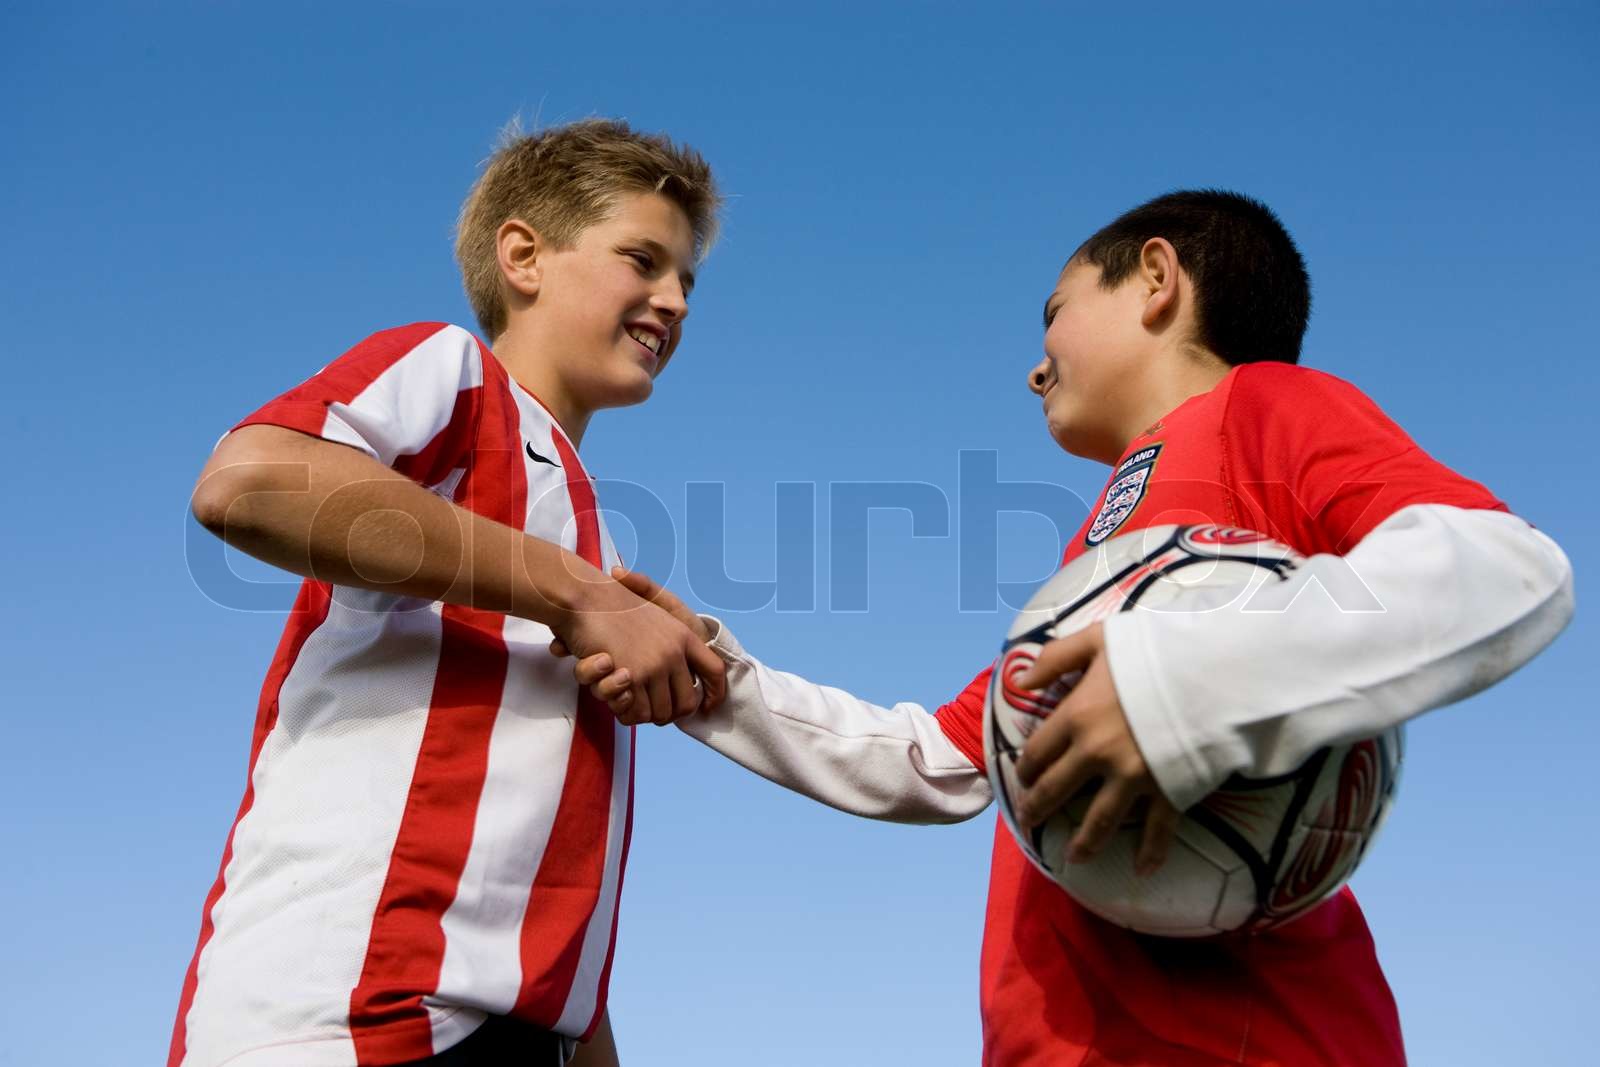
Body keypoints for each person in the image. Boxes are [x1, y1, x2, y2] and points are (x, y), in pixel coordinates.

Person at [568, 190, 1575, 1064]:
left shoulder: (1259, 405)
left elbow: (1504, 567)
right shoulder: (1097, 554)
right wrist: (716, 680)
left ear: (1156, 281)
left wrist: (1178, 688)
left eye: (1055, 312)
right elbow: (942, 759)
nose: (1034, 368)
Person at [169, 119, 729, 1067]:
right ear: (524, 256)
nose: (674, 300)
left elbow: (536, 895)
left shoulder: (592, 534)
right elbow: (248, 483)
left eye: (687, 281)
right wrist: (580, 595)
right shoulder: (456, 373)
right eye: (643, 260)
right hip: (345, 1016)